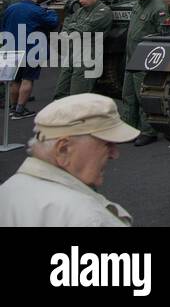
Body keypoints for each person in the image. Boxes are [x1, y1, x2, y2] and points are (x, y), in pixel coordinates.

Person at [0, 93, 137, 226]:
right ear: (63, 149)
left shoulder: (8, 190)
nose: (115, 154)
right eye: (107, 143)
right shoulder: (91, 219)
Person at [121, 0, 166, 146]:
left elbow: (163, 35)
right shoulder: (137, 6)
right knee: (128, 95)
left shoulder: (158, 8)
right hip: (131, 57)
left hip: (145, 58)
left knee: (144, 96)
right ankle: (128, 128)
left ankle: (148, 130)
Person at [2, 0, 59, 118]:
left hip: (12, 47)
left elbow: (4, 25)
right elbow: (52, 23)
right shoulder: (38, 11)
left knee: (15, 80)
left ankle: (12, 107)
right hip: (31, 50)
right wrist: (51, 12)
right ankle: (20, 110)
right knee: (27, 80)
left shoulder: (11, 8)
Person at [51, 0, 112, 101]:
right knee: (60, 92)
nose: (80, 1)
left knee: (78, 96)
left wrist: (73, 28)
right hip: (72, 53)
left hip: (88, 56)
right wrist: (74, 28)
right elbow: (66, 25)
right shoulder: (80, 11)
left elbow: (84, 30)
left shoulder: (103, 11)